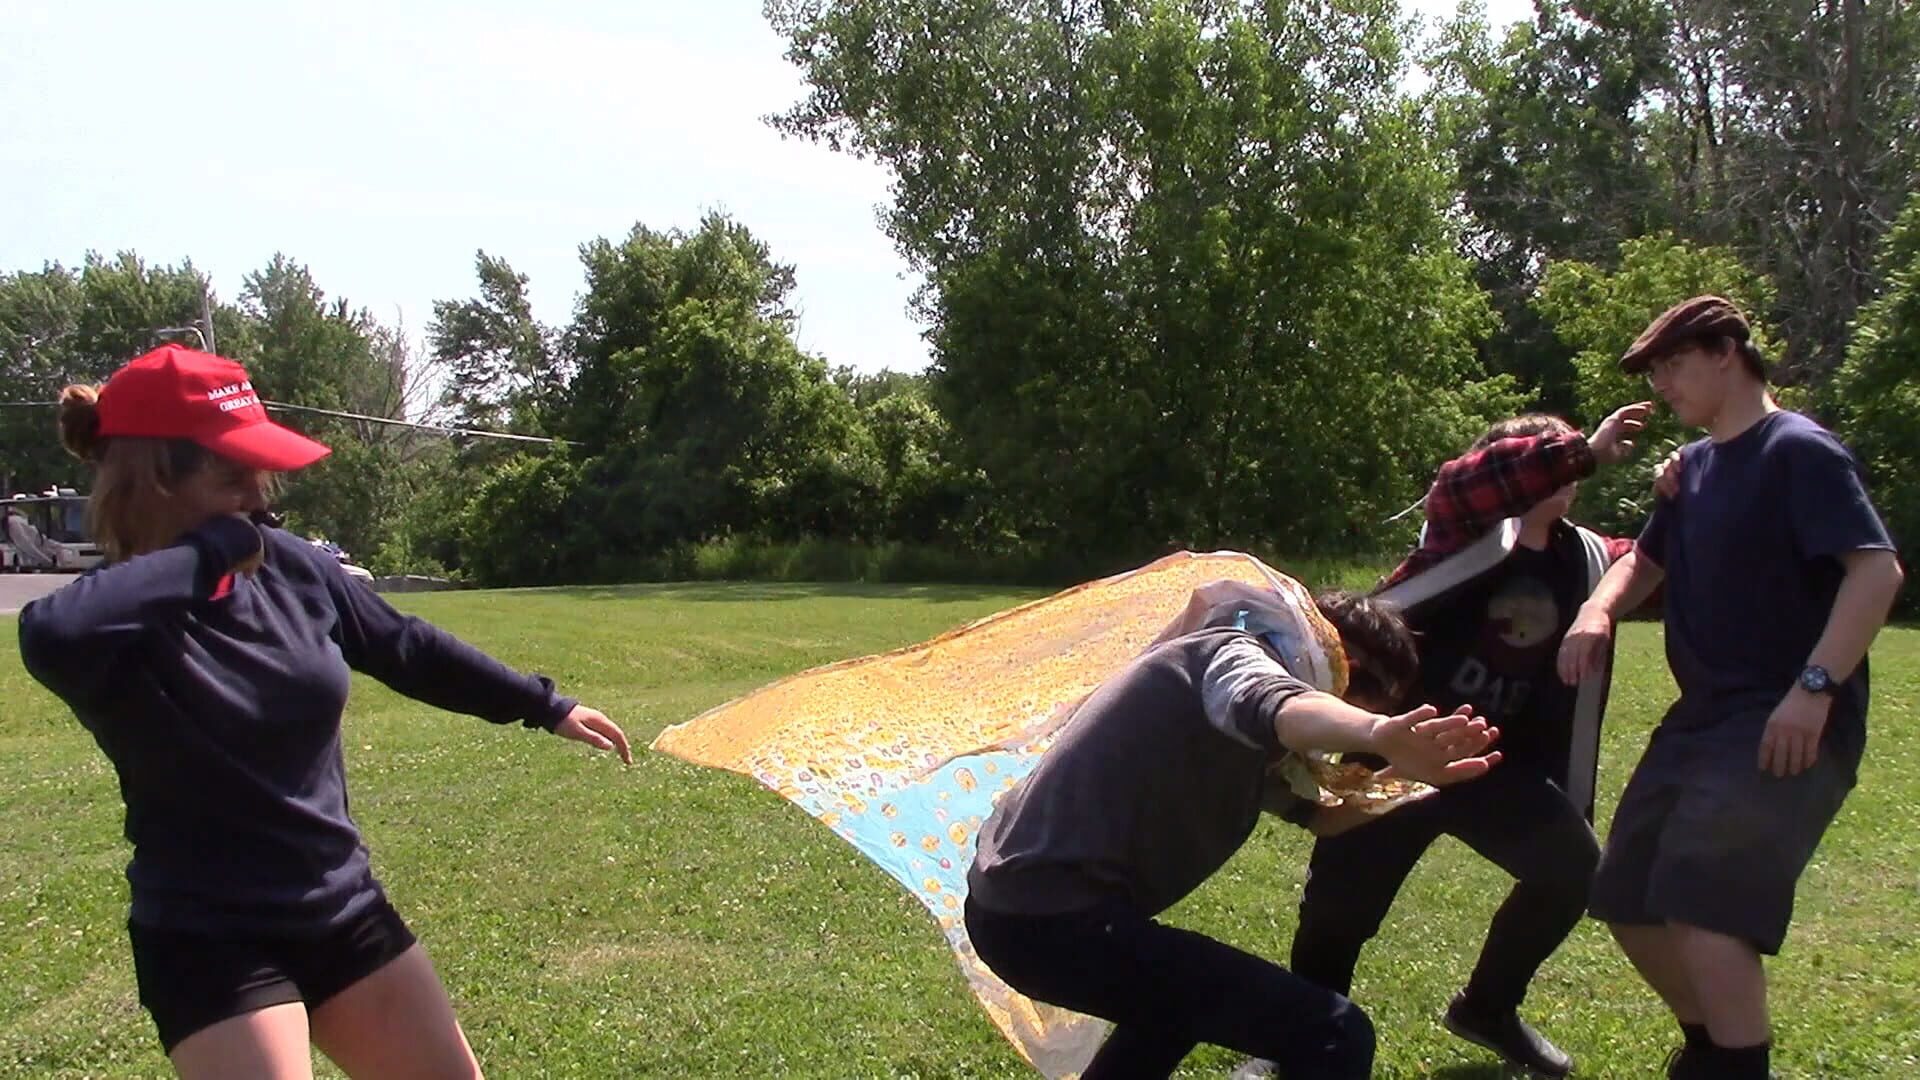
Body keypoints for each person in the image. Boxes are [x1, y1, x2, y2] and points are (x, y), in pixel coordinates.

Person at [17, 344, 633, 1079]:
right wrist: (208, 553)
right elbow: (51, 633)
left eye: (261, 474)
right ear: (154, 481)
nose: (258, 500)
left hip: (341, 908)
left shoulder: (288, 567)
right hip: (211, 938)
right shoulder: (111, 625)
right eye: (232, 477)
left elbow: (405, 646)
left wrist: (544, 704)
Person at [1250, 400, 1651, 1079]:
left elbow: (1655, 560)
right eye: (1546, 453)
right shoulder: (1464, 529)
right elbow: (1465, 481)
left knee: (1574, 873)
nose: (1563, 469)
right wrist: (1581, 449)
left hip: (1491, 764)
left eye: (1567, 457)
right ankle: (1303, 1037)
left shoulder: (1586, 557)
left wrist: (1690, 494)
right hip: (1393, 746)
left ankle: (1488, 1008)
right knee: (1338, 914)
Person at [1557, 296, 1905, 1079]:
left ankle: (1739, 1067)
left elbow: (1876, 572)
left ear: (1726, 353)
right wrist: (1596, 610)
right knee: (1625, 896)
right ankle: (1713, 1052)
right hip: (1702, 718)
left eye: (1674, 365)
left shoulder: (1798, 451)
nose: (1662, 385)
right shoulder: (1696, 469)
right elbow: (1644, 562)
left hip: (1787, 715)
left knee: (1704, 903)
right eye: (1654, 372)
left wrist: (1814, 688)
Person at [963, 584, 1503, 1079]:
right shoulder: (1233, 657)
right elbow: (1283, 705)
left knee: (1172, 1008)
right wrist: (1379, 732)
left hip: (1021, 915)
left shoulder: (1237, 723)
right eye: (1373, 705)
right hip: (1050, 921)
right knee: (1336, 1033)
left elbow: (1324, 818)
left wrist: (1407, 776)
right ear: (1350, 671)